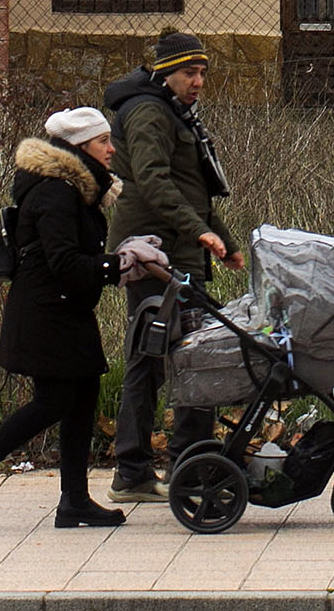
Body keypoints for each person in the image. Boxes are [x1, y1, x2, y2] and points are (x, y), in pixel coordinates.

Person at [0, 107, 137, 530]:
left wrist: (112, 264)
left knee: (82, 397)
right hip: (47, 314)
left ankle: (75, 501)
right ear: (79, 147)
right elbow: (63, 261)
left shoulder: (72, 190)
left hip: (65, 310)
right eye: (103, 141)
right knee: (54, 401)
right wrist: (115, 266)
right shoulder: (55, 193)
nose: (111, 149)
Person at [102, 29, 242, 505]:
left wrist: (222, 239)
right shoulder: (148, 112)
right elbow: (153, 182)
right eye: (189, 72)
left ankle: (165, 467)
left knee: (180, 357)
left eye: (202, 72)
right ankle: (162, 470)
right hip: (155, 257)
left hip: (178, 250)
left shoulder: (171, 110)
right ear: (166, 73)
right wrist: (199, 231)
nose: (198, 81)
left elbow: (189, 185)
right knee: (172, 360)